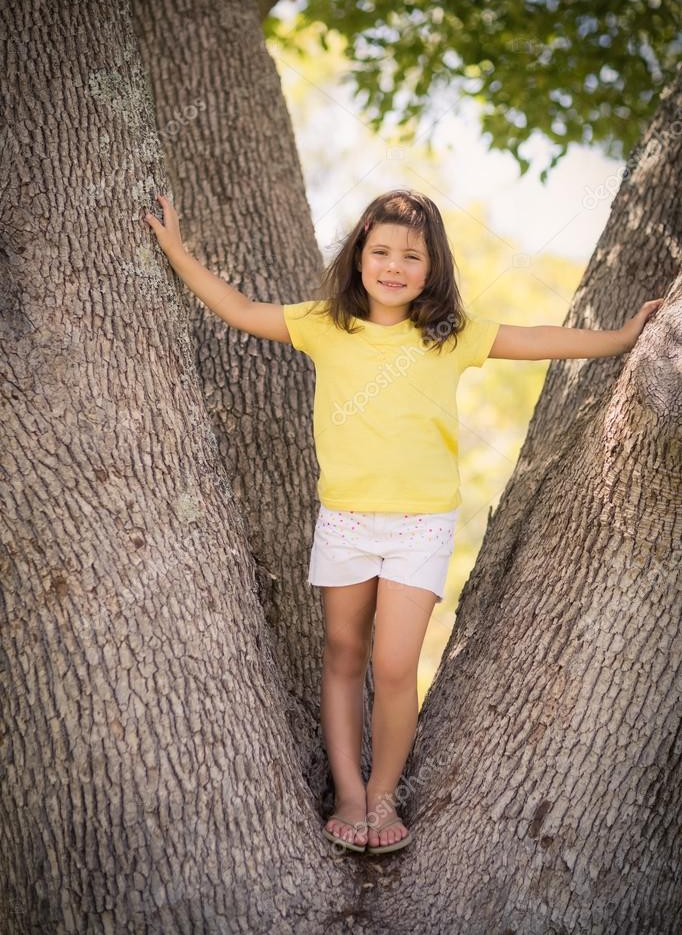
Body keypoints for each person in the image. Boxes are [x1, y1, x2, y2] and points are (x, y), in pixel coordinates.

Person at [144, 189, 664, 856]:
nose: (394, 266)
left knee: (392, 666)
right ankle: (350, 792)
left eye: (411, 256)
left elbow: (534, 339)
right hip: (345, 522)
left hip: (420, 525)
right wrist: (179, 254)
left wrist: (622, 336)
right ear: (360, 254)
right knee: (342, 654)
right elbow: (242, 310)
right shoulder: (325, 324)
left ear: (431, 267)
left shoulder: (449, 334)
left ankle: (384, 792)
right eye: (382, 250)